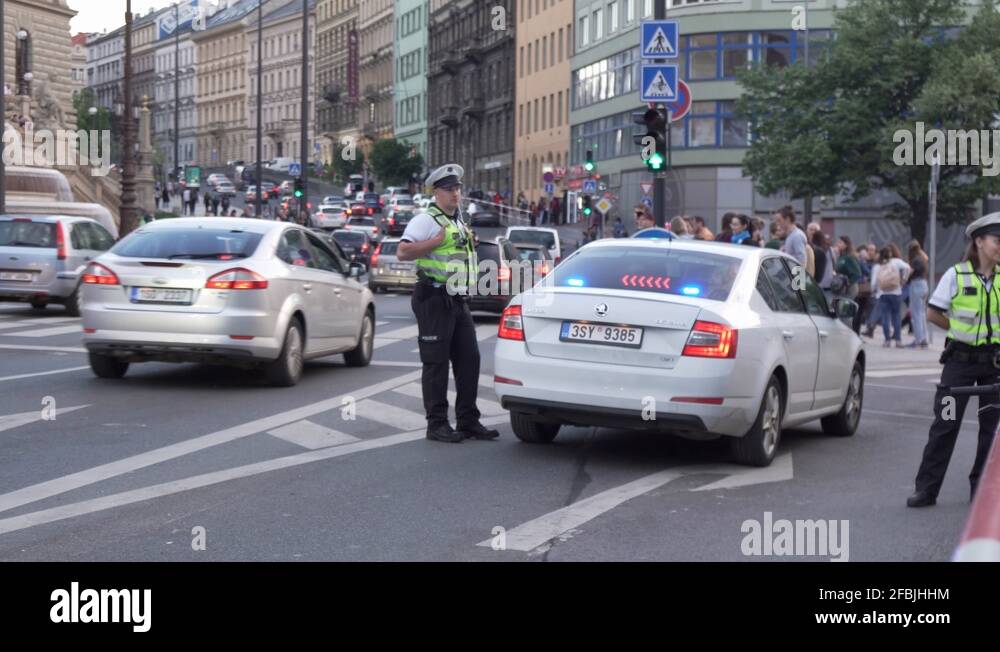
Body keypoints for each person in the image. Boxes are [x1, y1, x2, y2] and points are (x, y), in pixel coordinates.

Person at [396, 163, 500, 444]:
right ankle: (437, 424)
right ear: (436, 193)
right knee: (436, 363)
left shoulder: (458, 221)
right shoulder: (427, 220)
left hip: (457, 299)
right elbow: (403, 251)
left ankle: (468, 420)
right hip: (433, 296)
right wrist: (433, 242)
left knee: (470, 360)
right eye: (449, 189)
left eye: (457, 188)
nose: (455, 193)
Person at [907, 212, 1000, 507]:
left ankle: (981, 492)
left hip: (994, 365)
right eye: (997, 240)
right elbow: (934, 313)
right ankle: (927, 489)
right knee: (945, 424)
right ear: (979, 242)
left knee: (991, 430)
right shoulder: (956, 275)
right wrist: (960, 332)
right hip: (958, 363)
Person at [870, 245, 911, 347]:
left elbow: (874, 282)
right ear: (890, 254)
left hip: (882, 293)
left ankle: (887, 340)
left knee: (885, 317)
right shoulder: (896, 262)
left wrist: (874, 291)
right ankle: (898, 340)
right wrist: (904, 279)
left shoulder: (877, 266)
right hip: (896, 292)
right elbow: (907, 267)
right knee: (896, 316)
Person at [907, 240, 930, 348]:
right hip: (924, 285)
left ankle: (918, 340)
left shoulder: (915, 259)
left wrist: (903, 280)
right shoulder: (923, 258)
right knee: (922, 313)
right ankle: (924, 339)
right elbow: (926, 257)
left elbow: (909, 272)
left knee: (916, 314)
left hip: (916, 285)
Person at [774, 206, 809, 274]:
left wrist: (798, 283)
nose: (777, 224)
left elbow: (802, 261)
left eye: (779, 220)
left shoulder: (797, 236)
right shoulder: (791, 235)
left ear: (787, 219)